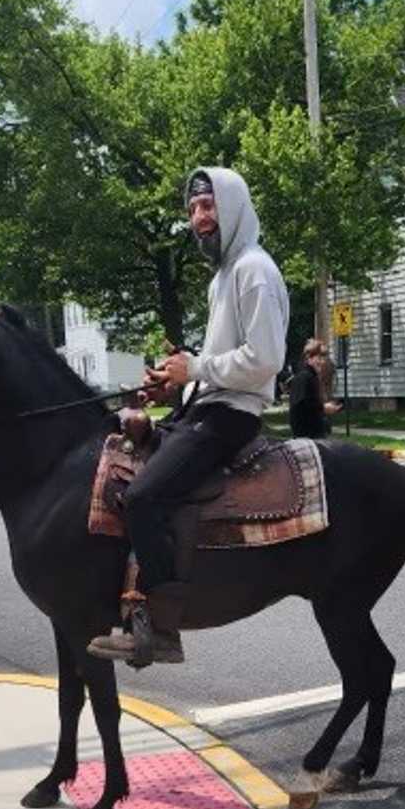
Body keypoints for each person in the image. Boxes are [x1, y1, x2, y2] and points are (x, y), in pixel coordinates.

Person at [88, 166, 289, 666]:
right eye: (193, 208)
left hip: (232, 415)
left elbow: (265, 358)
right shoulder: (224, 274)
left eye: (208, 205)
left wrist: (196, 368)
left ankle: (159, 627)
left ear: (234, 207)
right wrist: (176, 379)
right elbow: (225, 357)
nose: (199, 217)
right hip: (208, 403)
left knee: (143, 496)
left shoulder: (254, 270)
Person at [288, 338, 339, 439]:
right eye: (318, 358)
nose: (322, 362)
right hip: (307, 436)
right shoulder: (304, 377)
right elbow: (300, 405)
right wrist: (323, 408)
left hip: (315, 434)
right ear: (309, 358)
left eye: (323, 358)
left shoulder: (312, 376)